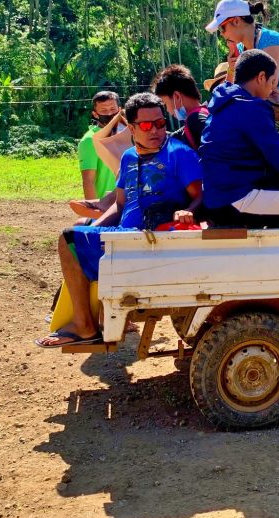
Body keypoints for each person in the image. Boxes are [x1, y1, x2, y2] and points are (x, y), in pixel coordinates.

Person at [36, 93, 203, 347]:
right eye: (147, 125)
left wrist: (187, 211)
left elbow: (201, 197)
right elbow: (120, 203)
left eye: (160, 123)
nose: (155, 130)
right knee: (81, 229)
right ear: (132, 128)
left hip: (149, 242)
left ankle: (84, 326)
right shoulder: (128, 158)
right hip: (126, 236)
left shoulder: (179, 153)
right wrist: (97, 226)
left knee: (68, 238)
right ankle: (98, 318)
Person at [200, 49, 279, 228]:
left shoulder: (224, 102)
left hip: (217, 197)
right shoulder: (251, 106)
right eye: (273, 82)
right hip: (234, 198)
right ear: (261, 77)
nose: (272, 89)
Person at [206, 0, 279, 144]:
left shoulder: (271, 39)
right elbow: (230, 89)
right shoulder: (239, 49)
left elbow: (269, 85)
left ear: (236, 21)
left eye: (222, 28)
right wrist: (231, 69)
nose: (222, 34)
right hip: (267, 117)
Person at [152, 64, 209, 151]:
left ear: (177, 96)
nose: (167, 110)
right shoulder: (203, 113)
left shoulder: (195, 119)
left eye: (165, 104)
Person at [77, 91, 120, 202]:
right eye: (103, 110)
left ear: (119, 110)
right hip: (105, 205)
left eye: (113, 109)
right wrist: (94, 212)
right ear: (95, 114)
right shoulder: (89, 140)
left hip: (127, 204)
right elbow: (88, 181)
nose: (109, 114)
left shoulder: (128, 134)